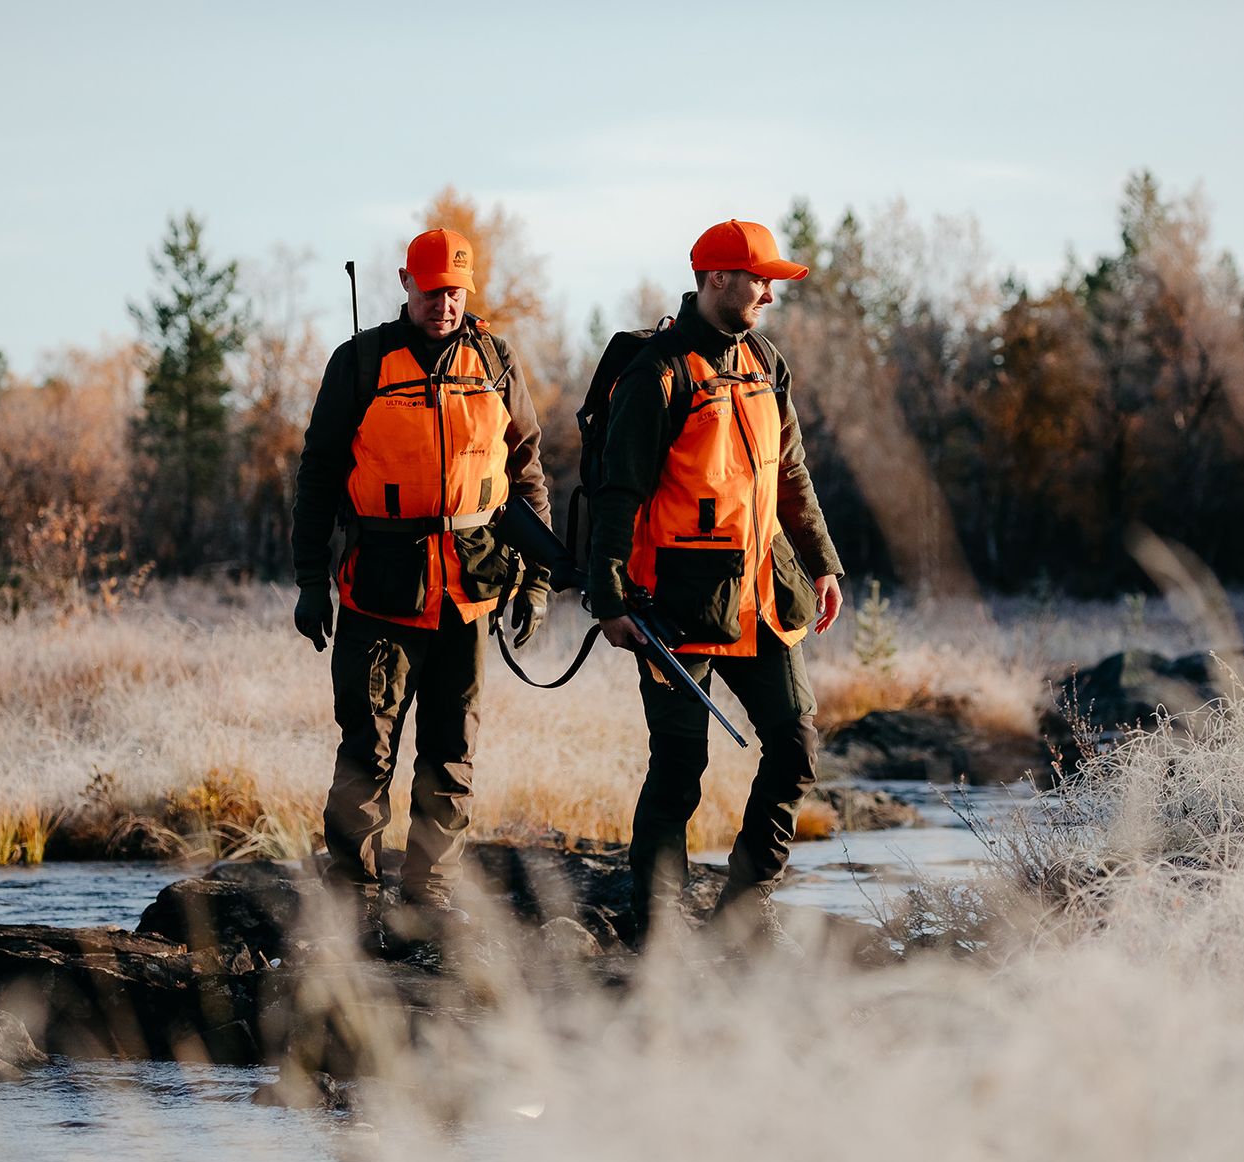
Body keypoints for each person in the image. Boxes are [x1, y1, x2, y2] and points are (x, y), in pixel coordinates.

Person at [588, 218, 844, 950]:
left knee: (794, 746)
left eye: (771, 281)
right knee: (679, 769)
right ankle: (661, 928)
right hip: (674, 608)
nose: (769, 292)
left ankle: (741, 913)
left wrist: (821, 562)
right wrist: (607, 598)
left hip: (765, 600)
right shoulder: (658, 371)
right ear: (719, 279)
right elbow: (619, 491)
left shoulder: (766, 360)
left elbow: (790, 473)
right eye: (760, 278)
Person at [290, 227, 550, 951]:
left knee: (451, 750)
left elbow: (526, 473)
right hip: (380, 589)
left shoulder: (495, 361)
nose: (443, 303)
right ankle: (350, 897)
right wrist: (312, 579)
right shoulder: (361, 362)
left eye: (455, 290)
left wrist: (537, 583)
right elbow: (316, 476)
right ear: (406, 282)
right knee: (366, 748)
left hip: (469, 590)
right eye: (432, 289)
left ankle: (428, 895)